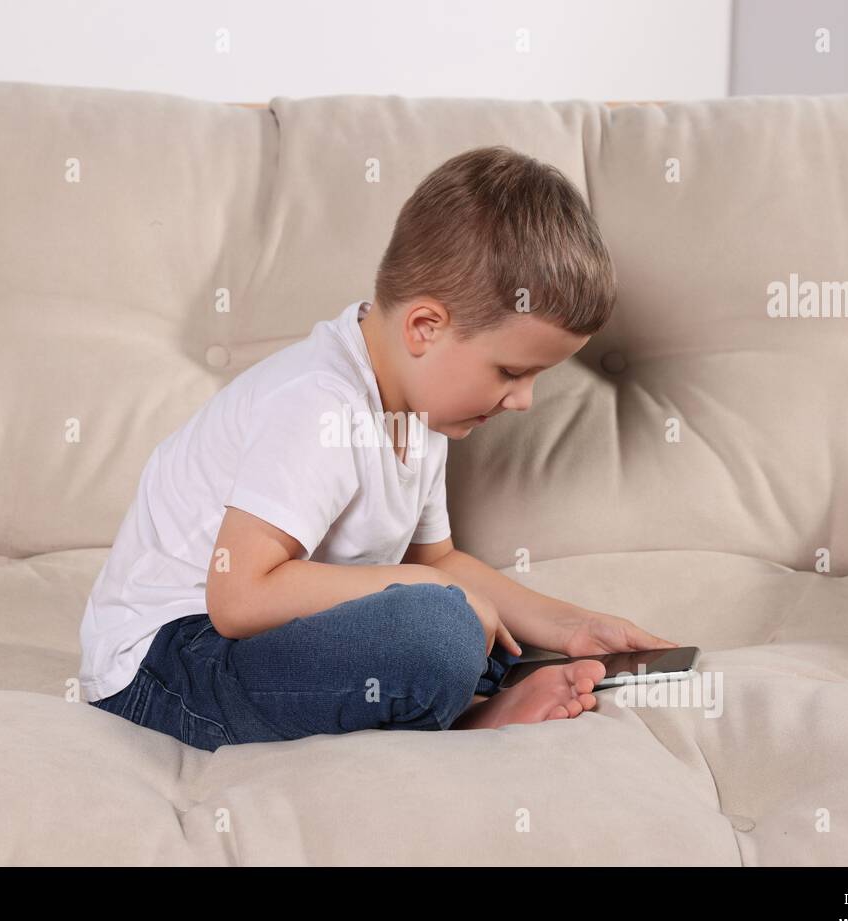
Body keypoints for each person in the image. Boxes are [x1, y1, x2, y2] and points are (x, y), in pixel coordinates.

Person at [80, 145, 676, 751]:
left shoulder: (421, 406)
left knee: (475, 629)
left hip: (258, 646)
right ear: (425, 328)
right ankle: (468, 711)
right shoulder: (319, 402)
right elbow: (238, 597)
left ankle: (467, 691)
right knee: (439, 628)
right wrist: (437, 598)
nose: (522, 401)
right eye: (509, 372)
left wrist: (569, 625)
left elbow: (437, 561)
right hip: (170, 666)